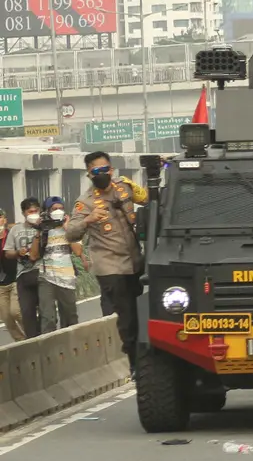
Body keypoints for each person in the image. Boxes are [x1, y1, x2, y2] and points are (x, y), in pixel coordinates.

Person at [65, 153, 148, 372]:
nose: (102, 175)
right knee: (127, 314)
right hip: (110, 265)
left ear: (111, 169)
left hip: (135, 262)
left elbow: (150, 200)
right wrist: (88, 219)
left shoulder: (125, 188)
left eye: (105, 170)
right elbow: (71, 233)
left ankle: (145, 352)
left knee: (143, 309)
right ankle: (135, 362)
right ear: (89, 174)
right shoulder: (85, 202)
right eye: (96, 172)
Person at [29, 197, 83, 332]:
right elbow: (33, 256)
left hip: (66, 277)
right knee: (48, 318)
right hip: (46, 277)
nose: (57, 211)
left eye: (60, 208)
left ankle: (71, 348)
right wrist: (38, 231)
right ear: (47, 211)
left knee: (70, 317)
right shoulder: (43, 229)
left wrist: (67, 228)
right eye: (54, 209)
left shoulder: (71, 228)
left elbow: (77, 251)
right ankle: (49, 350)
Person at [6, 198, 52, 337]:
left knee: (47, 314)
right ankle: (33, 343)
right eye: (30, 211)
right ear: (23, 213)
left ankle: (49, 341)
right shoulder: (15, 230)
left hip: (43, 273)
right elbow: (8, 253)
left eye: (36, 211)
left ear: (40, 211)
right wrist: (17, 253)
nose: (33, 214)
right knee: (27, 314)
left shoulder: (46, 228)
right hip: (24, 276)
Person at [0, 209, 22, 340]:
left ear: (5, 219)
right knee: (7, 318)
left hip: (15, 279)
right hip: (1, 286)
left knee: (16, 312)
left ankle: (32, 336)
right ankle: (22, 342)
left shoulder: (11, 235)